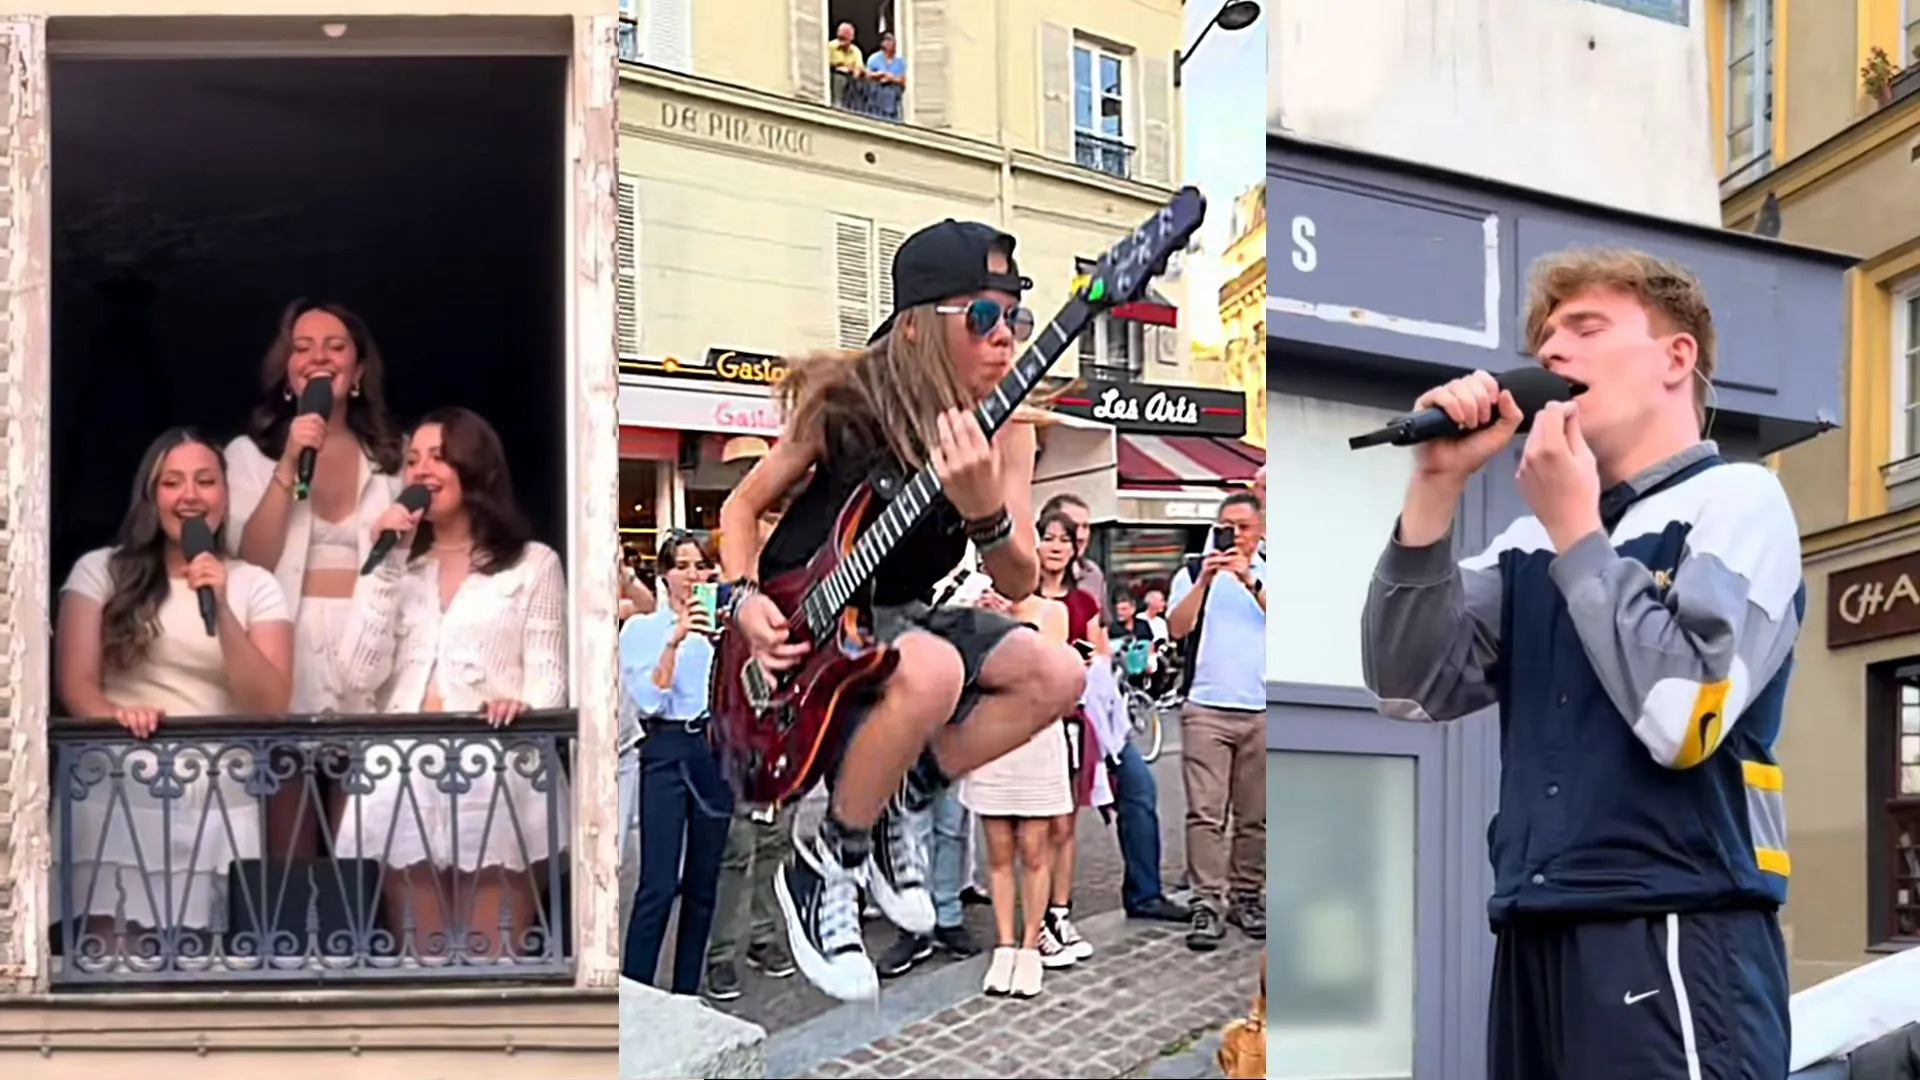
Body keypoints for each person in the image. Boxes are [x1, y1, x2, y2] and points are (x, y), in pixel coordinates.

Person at [1360, 248, 1801, 1080]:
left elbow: (1686, 714)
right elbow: (1405, 688)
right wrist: (1435, 489)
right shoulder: (1532, 540)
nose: (1553, 352)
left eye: (1587, 327)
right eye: (1546, 336)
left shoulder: (1739, 499)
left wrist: (1575, 532)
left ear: (1678, 358)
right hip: (1536, 924)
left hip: (1673, 924)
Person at [716, 218, 1086, 1002]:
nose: (1005, 339)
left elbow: (1018, 578)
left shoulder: (1009, 428)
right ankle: (828, 866)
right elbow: (742, 510)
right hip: (806, 619)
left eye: (1014, 318)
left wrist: (985, 512)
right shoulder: (847, 402)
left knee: (1057, 672)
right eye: (983, 318)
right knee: (933, 665)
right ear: (918, 325)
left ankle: (902, 800)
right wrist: (740, 599)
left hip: (905, 614)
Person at [333, 408, 569, 962]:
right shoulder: (394, 565)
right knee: (425, 961)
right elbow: (357, 676)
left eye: (438, 457)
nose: (422, 470)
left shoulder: (532, 564)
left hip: (498, 773)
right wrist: (386, 563)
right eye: (412, 460)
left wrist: (524, 705)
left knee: (492, 959)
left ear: (474, 467)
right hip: (404, 773)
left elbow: (550, 681)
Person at [52, 428, 294, 946]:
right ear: (150, 496)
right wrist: (116, 721)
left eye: (205, 481)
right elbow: (75, 685)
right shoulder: (101, 571)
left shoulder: (255, 584)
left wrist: (222, 610)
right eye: (172, 482)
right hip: (120, 789)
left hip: (220, 800)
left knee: (208, 972)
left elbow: (270, 703)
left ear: (225, 497)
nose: (190, 495)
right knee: (116, 964)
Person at [223, 299, 404, 858]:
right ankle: (294, 943)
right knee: (290, 841)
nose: (318, 356)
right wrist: (289, 464)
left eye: (335, 345)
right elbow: (248, 559)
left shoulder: (392, 459)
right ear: (286, 370)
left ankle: (360, 941)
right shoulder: (249, 455)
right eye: (302, 347)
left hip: (371, 647)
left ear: (359, 371)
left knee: (363, 835)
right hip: (288, 647)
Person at [620, 532, 733, 996]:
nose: (692, 576)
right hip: (665, 749)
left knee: (703, 883)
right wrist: (676, 640)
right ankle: (636, 992)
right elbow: (648, 699)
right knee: (658, 884)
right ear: (665, 575)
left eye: (700, 566)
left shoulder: (723, 629)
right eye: (682, 566)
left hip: (713, 749)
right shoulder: (642, 629)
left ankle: (687, 992)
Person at [1167, 491, 1267, 950]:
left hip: (1264, 708)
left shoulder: (1272, 570)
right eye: (1227, 525)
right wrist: (1204, 582)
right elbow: (1176, 628)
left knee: (1256, 816)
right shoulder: (1191, 572)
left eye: (1244, 526)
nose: (1235, 535)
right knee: (1205, 814)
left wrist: (1251, 581)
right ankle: (1207, 903)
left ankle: (1247, 896)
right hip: (1207, 707)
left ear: (1261, 528)